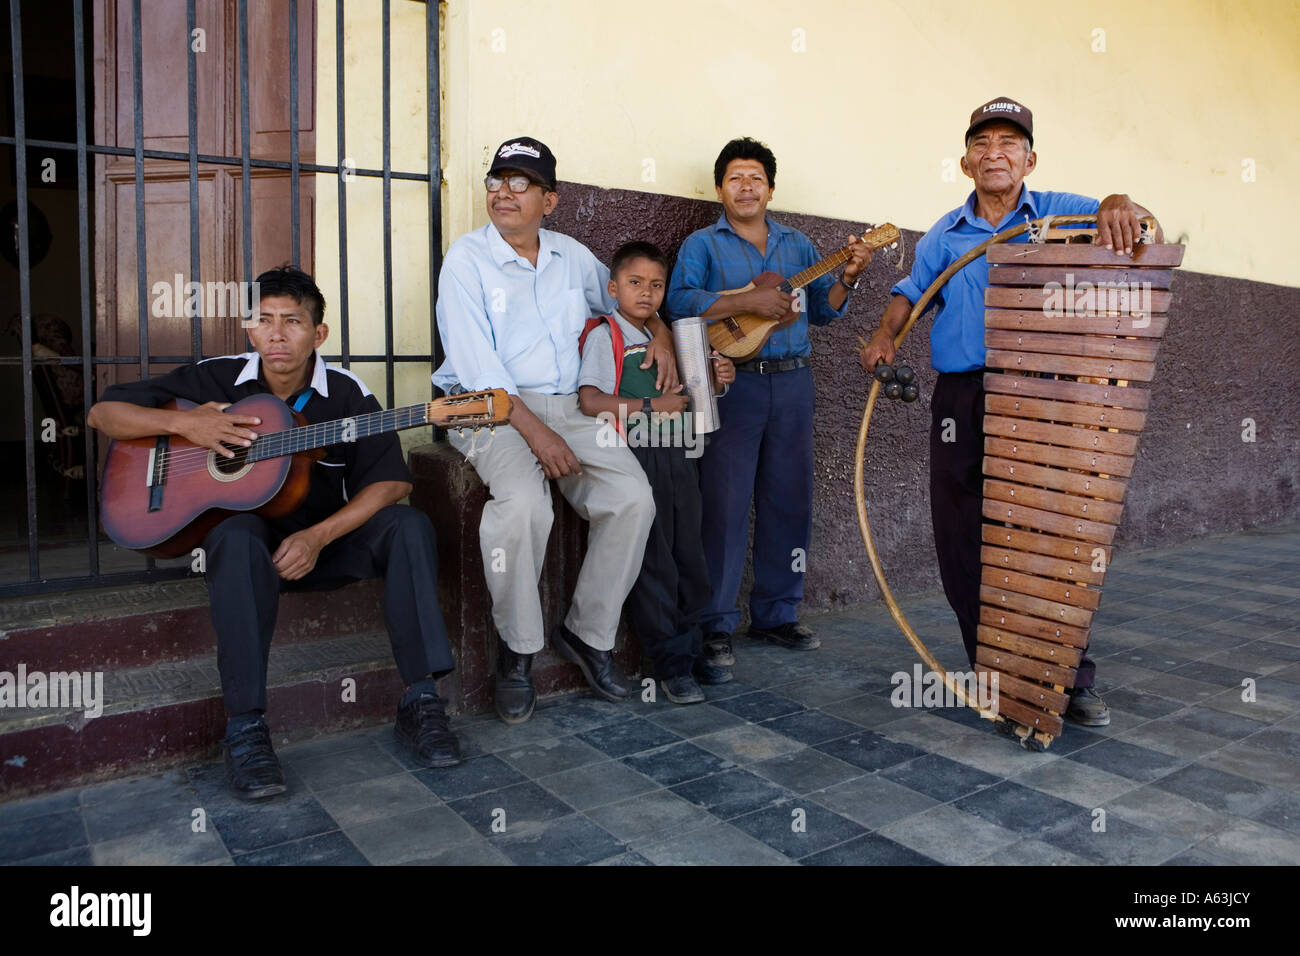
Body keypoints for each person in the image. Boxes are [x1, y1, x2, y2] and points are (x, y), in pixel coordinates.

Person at [87, 266, 461, 800]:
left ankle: (422, 703)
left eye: (293, 321)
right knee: (235, 535)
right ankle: (246, 728)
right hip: (251, 556)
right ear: (248, 327)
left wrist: (318, 538)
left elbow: (391, 485)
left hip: (327, 548)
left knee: (410, 526)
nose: (277, 334)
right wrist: (186, 426)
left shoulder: (348, 394)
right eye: (263, 321)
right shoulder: (216, 379)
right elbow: (105, 413)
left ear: (319, 333)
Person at [858, 97, 1164, 727]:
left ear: (1030, 158)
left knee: (1046, 535)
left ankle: (1068, 680)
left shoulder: (1062, 212)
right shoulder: (944, 235)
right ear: (965, 161)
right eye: (982, 143)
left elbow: (1143, 226)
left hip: (1038, 393)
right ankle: (996, 673)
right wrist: (886, 335)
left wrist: (1118, 203)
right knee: (961, 536)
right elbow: (909, 297)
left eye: (1008, 143)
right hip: (959, 397)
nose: (993, 152)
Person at [433, 136, 679, 724]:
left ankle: (589, 634)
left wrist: (664, 335)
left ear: (550, 199)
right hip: (486, 408)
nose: (504, 194)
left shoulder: (572, 256)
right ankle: (517, 652)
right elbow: (481, 373)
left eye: (521, 184)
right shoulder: (466, 261)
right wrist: (539, 436)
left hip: (569, 404)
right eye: (497, 181)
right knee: (524, 507)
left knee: (632, 498)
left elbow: (629, 306)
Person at [666, 137, 872, 667]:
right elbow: (680, 302)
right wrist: (744, 301)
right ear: (719, 188)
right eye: (735, 177)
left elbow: (825, 312)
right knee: (725, 503)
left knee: (789, 498)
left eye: (756, 177)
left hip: (793, 382)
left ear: (771, 188)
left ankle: (778, 613)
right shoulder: (702, 245)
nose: (746, 186)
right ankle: (715, 623)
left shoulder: (799, 246)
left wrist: (848, 276)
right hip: (733, 381)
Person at [578, 241, 737, 703]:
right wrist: (652, 405)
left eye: (656, 285)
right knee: (655, 562)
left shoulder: (671, 337)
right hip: (636, 456)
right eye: (634, 283)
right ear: (613, 288)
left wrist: (719, 378)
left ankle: (689, 652)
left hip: (681, 455)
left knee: (691, 556)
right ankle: (667, 663)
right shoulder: (604, 335)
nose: (646, 293)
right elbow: (590, 401)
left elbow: (695, 394)